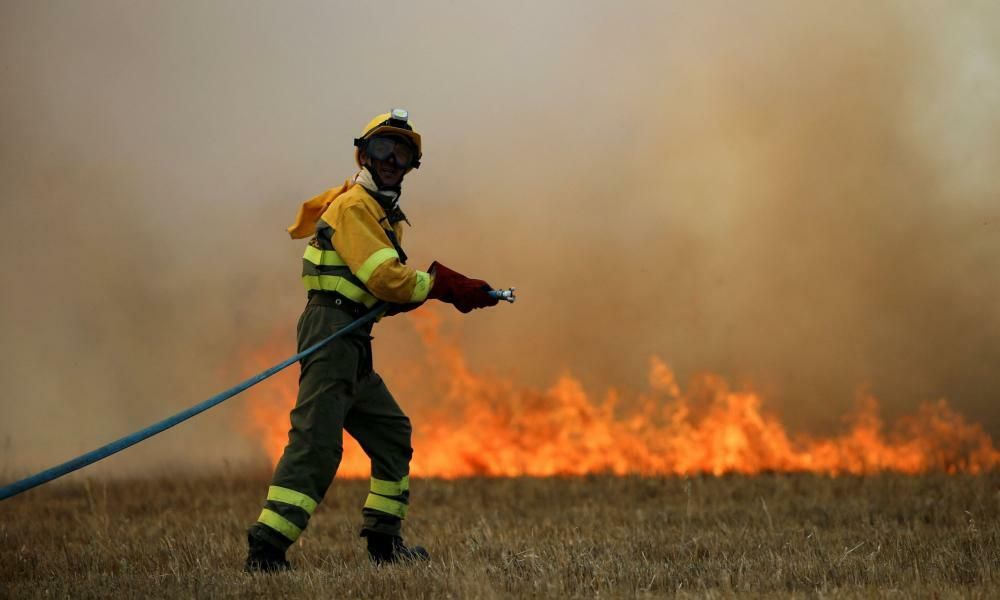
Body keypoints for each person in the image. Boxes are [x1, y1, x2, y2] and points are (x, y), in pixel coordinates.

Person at [244, 109, 499, 572]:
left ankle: (384, 542)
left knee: (391, 434)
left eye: (402, 153)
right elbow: (386, 278)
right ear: (363, 154)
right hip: (331, 333)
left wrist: (448, 290)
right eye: (383, 148)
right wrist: (442, 285)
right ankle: (266, 549)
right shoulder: (355, 208)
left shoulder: (383, 216)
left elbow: (383, 292)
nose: (391, 160)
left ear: (411, 166)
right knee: (317, 444)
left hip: (354, 337)